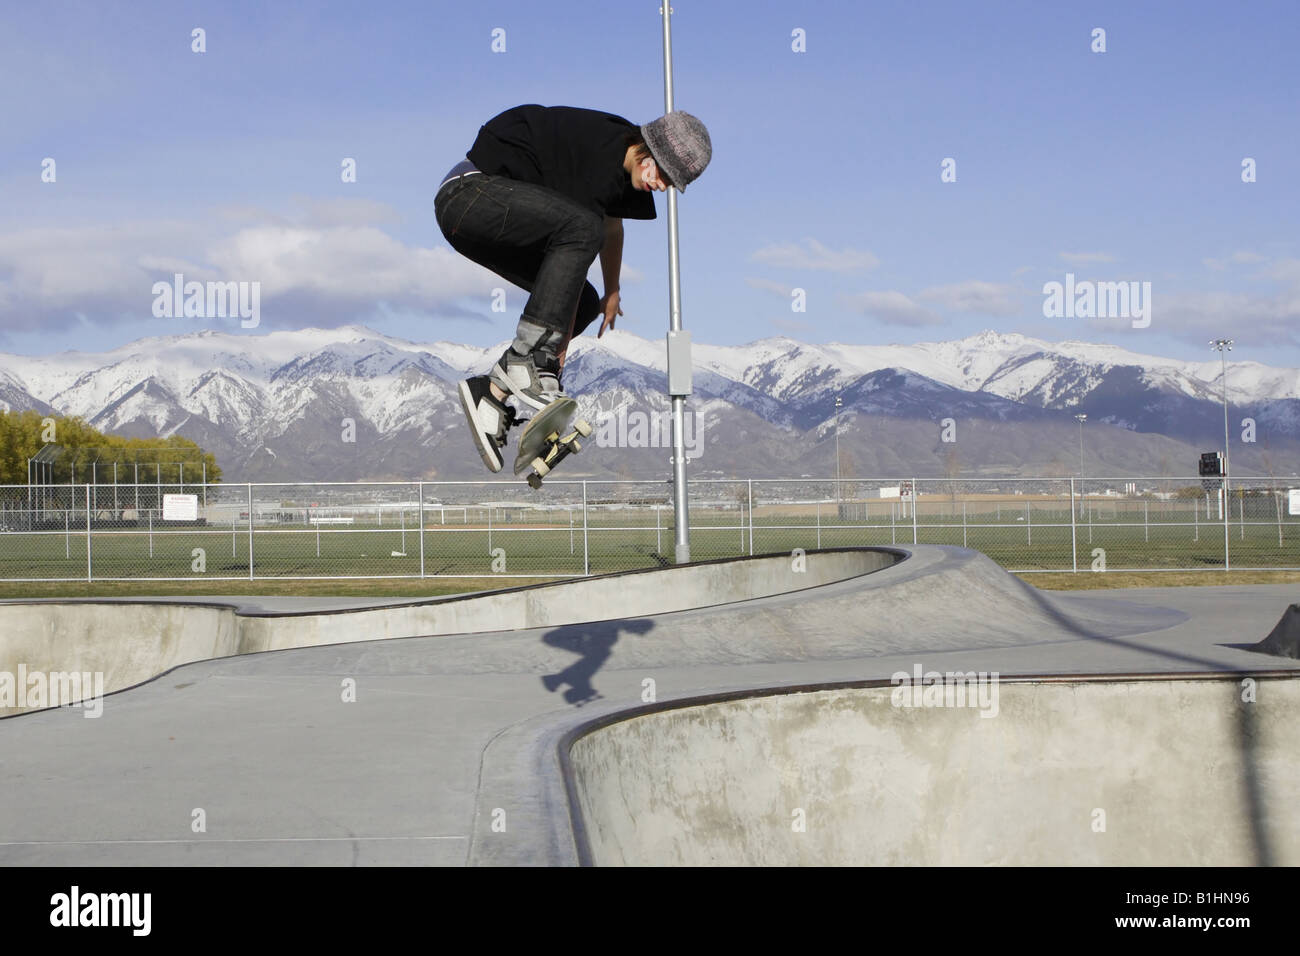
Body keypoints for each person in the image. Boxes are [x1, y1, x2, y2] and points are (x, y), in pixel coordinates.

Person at [434, 104, 712, 472]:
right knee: (582, 231)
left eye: (671, 184)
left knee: (583, 302)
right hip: (469, 195)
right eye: (664, 174)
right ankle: (527, 366)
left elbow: (612, 228)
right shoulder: (600, 154)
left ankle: (492, 391)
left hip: (492, 217)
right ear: (652, 149)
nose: (662, 186)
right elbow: (589, 234)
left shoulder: (619, 171)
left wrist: (611, 292)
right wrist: (551, 375)